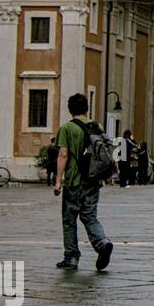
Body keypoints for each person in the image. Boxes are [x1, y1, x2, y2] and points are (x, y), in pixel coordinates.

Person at [53, 91, 114, 273]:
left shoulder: (67, 128)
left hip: (74, 180)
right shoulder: (97, 127)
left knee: (69, 219)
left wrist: (58, 181)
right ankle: (102, 243)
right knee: (89, 215)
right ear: (86, 109)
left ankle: (71, 257)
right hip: (93, 179)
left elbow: (63, 154)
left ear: (70, 110)